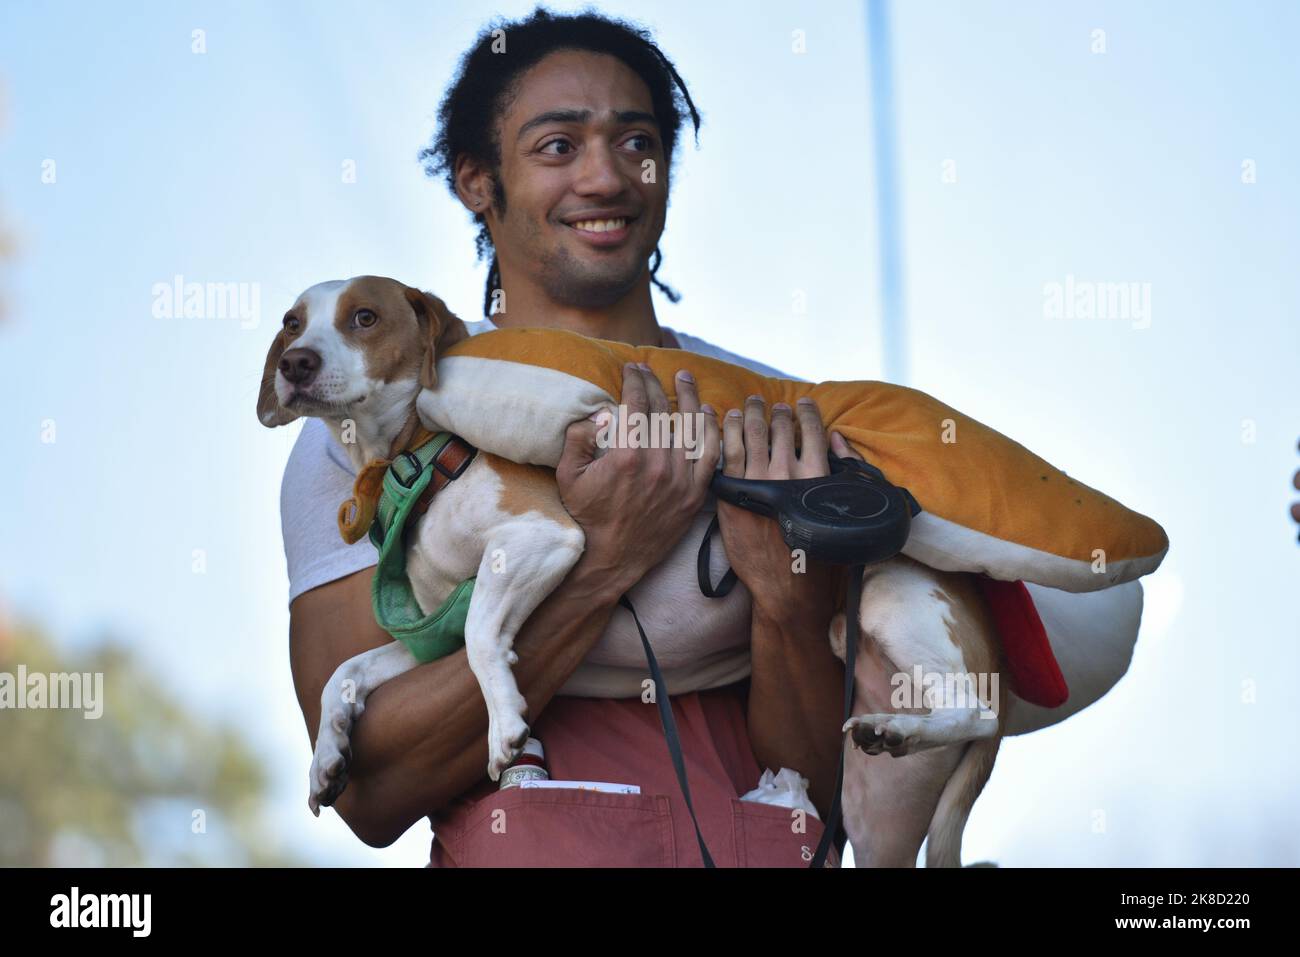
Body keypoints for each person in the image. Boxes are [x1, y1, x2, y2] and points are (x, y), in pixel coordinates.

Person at [281, 8, 854, 867]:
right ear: (477, 179)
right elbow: (367, 792)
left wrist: (789, 607)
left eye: (636, 142)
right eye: (558, 146)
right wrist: (608, 560)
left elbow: (829, 798)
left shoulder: (769, 420)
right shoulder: (368, 435)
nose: (605, 177)